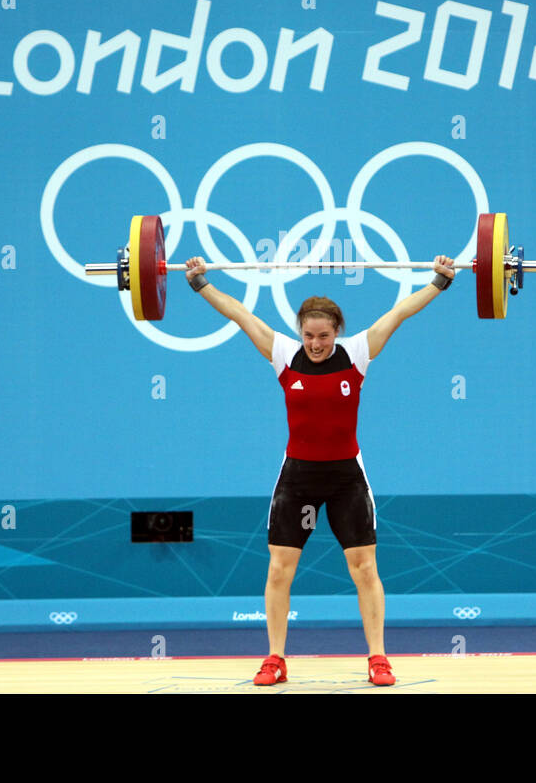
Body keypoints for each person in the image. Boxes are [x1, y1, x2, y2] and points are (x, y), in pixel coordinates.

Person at [184, 252, 456, 687]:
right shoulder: (283, 354)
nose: (315, 344)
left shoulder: (357, 353)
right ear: (300, 332)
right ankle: (275, 657)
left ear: (337, 331)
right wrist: (200, 284)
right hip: (299, 478)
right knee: (279, 569)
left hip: (347, 477)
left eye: (324, 336)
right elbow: (239, 314)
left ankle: (378, 658)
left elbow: (399, 313)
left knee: (364, 567)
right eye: (309, 336)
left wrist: (439, 282)